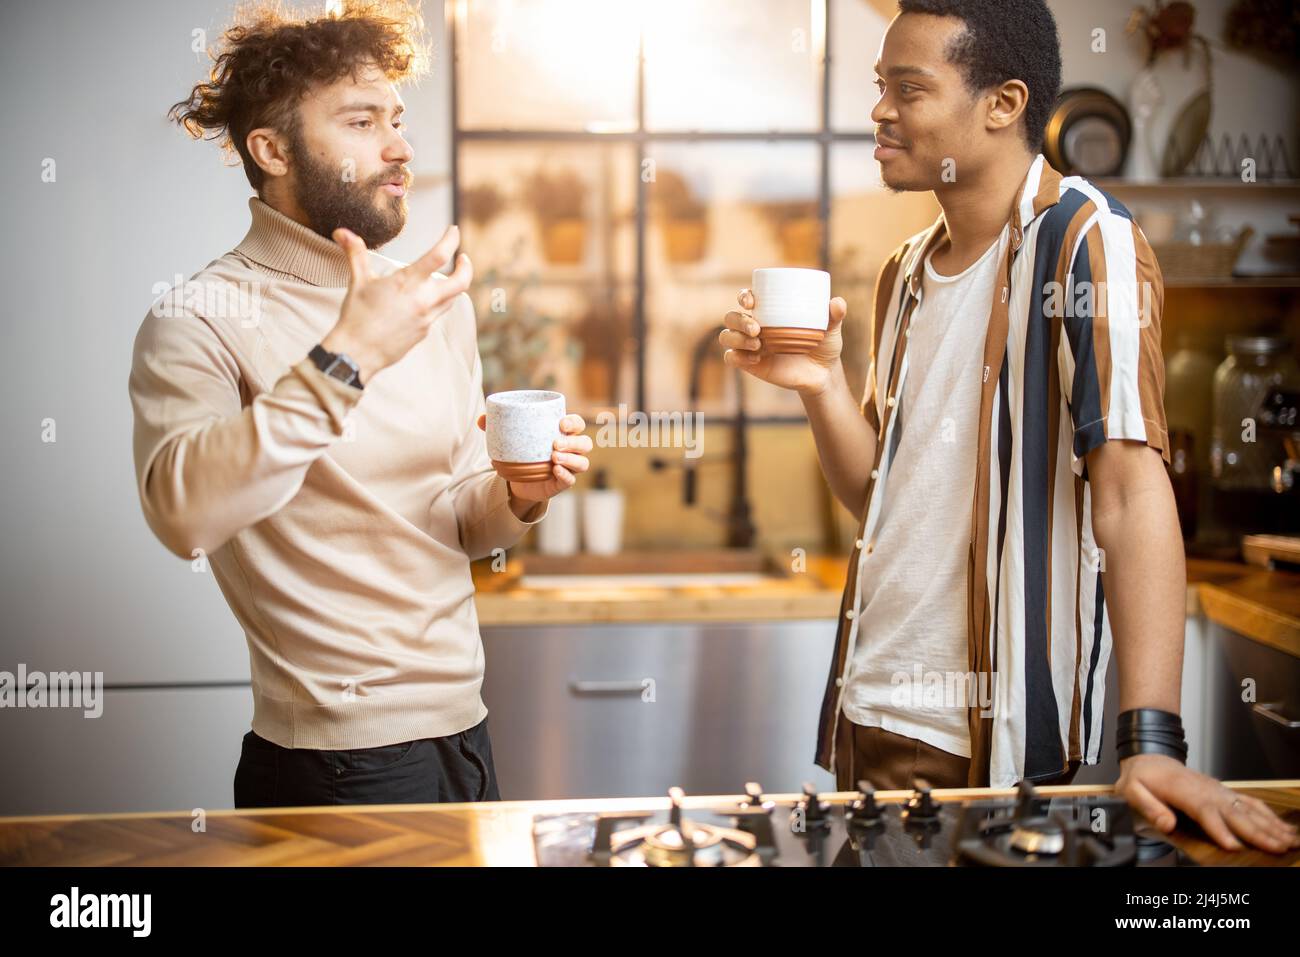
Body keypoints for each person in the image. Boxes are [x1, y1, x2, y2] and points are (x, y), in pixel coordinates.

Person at [720, 0, 1297, 854]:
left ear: (1003, 103)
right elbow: (876, 495)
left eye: (908, 89)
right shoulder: (903, 274)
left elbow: (1135, 494)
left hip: (993, 743)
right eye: (881, 86)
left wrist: (1152, 741)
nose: (880, 110)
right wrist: (818, 384)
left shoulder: (1084, 244)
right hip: (867, 714)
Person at [129, 1, 592, 807]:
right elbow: (183, 515)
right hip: (333, 763)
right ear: (270, 149)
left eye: (397, 119)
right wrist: (350, 354)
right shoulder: (199, 315)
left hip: (467, 734)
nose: (399, 146)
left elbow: (449, 514)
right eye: (360, 120)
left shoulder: (430, 301)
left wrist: (518, 493)